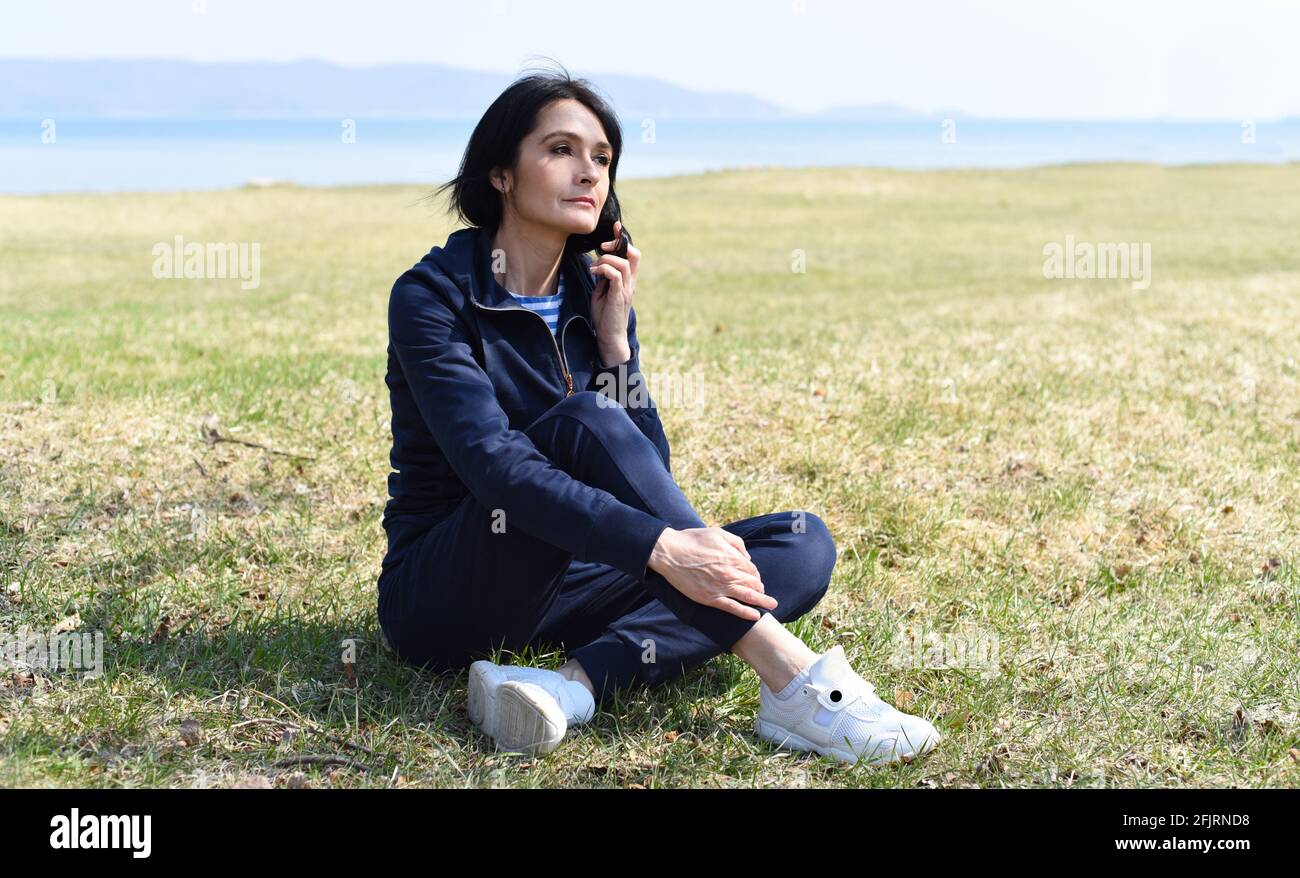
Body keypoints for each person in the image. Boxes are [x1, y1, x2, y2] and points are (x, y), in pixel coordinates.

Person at [377, 64, 941, 766]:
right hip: (452, 589)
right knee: (589, 427)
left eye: (603, 159)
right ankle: (794, 681)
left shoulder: (597, 295)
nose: (588, 173)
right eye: (561, 150)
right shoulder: (433, 297)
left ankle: (570, 687)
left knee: (799, 546)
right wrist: (666, 552)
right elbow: (495, 468)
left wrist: (616, 348)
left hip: (577, 576)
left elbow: (646, 472)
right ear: (500, 173)